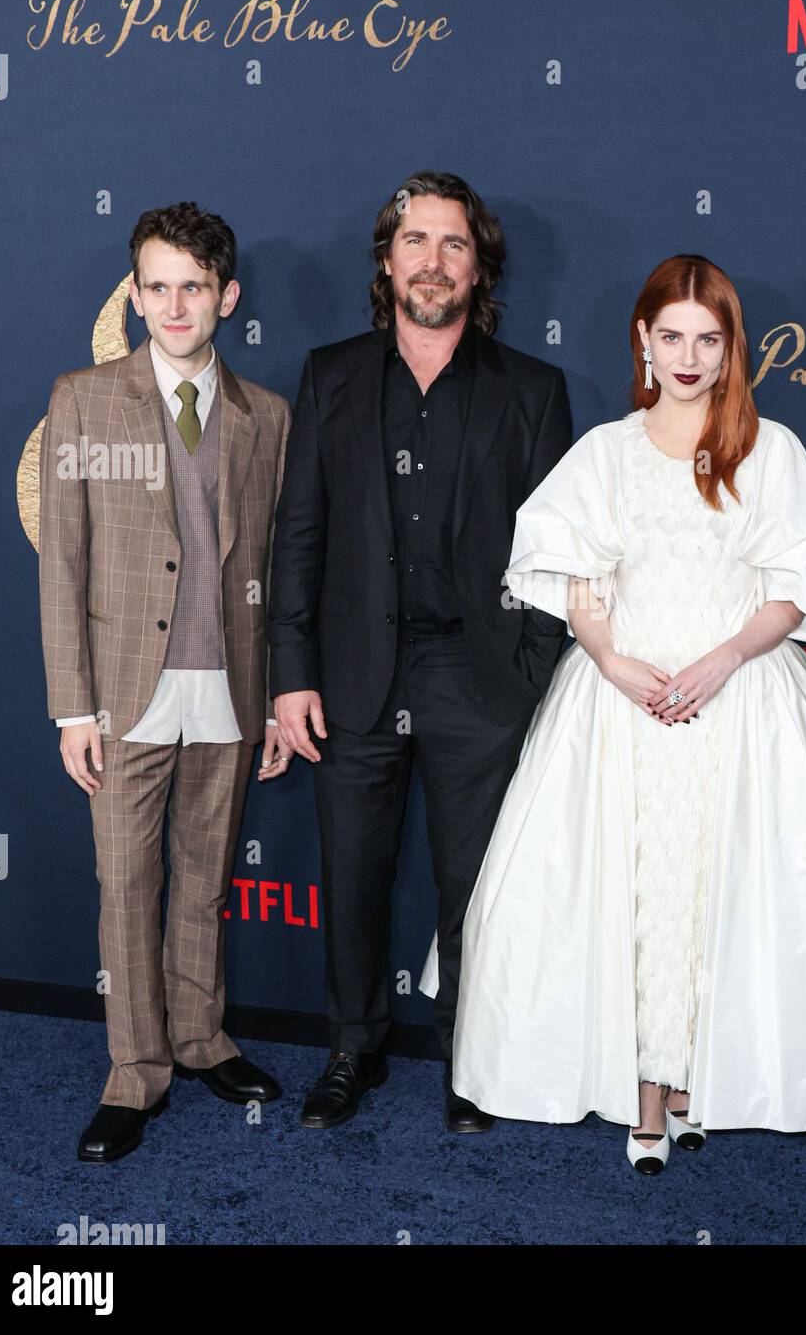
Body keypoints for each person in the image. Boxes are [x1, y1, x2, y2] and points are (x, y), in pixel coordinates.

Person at [420, 254, 806, 1174]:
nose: (687, 356)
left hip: (743, 698)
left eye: (706, 340)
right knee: (628, 890)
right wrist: (607, 657)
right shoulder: (606, 452)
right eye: (670, 337)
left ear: (730, 349)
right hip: (620, 702)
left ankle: (700, 1084)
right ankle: (642, 1095)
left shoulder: (772, 451)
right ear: (643, 340)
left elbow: (796, 591)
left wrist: (724, 658)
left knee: (726, 891)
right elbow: (577, 576)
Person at [267, 171, 573, 1133]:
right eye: (414, 242)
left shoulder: (533, 388)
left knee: (472, 884)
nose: (431, 261)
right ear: (386, 262)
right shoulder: (329, 375)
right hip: (354, 672)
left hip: (477, 679)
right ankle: (353, 1051)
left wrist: (527, 673)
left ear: (478, 268)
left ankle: (469, 1062)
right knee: (351, 876)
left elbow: (555, 552)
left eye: (452, 244)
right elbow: (298, 535)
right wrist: (292, 674)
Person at [39, 202, 291, 1163]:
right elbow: (61, 560)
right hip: (122, 695)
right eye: (157, 287)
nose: (175, 304)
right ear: (134, 296)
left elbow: (276, 562)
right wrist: (73, 707)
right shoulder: (85, 399)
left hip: (228, 688)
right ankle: (133, 1073)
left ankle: (200, 1039)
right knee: (125, 885)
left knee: (204, 880)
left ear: (226, 296)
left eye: (194, 286)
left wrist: (272, 697)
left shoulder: (266, 416)